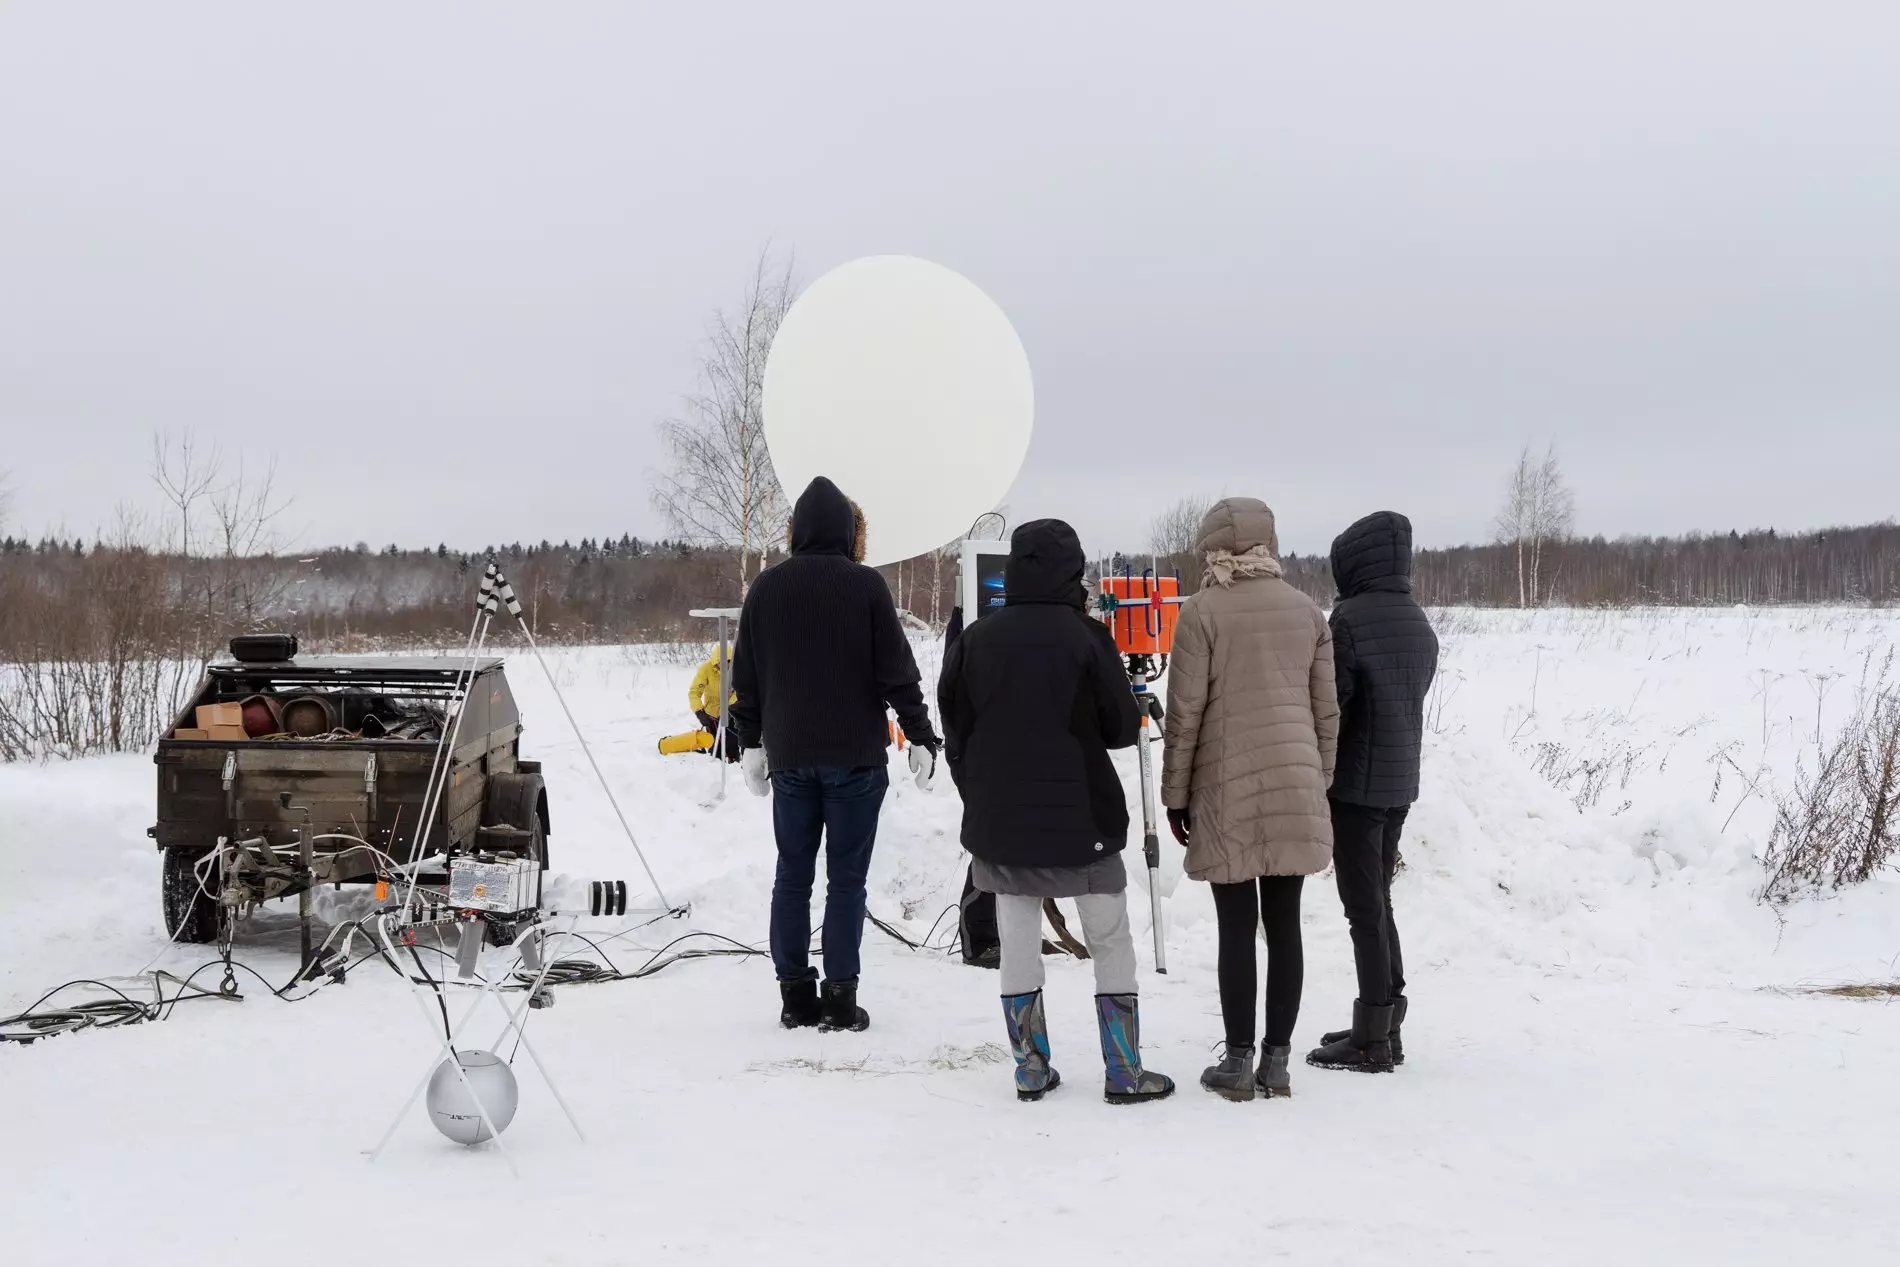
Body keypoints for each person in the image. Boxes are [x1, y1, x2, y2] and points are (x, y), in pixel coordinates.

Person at [938, 519, 1175, 1105]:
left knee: (1017, 943)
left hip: (1003, 825)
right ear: (1073, 572)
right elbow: (1122, 728)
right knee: (1110, 939)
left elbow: (955, 727)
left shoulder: (975, 637)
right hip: (1084, 821)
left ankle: (1030, 1069)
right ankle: (1124, 1072)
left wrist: (980, 796)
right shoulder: (1087, 636)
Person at [729, 476, 941, 1033]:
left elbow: (744, 677)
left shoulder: (766, 590)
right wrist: (921, 735)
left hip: (791, 757)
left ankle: (795, 996)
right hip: (855, 759)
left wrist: (750, 742)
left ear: (796, 531)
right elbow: (897, 670)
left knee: (791, 877)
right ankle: (841, 1000)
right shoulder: (865, 586)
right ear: (849, 532)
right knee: (846, 881)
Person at [1160, 497, 1339, 1102]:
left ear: (1212, 548)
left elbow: (1184, 715)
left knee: (1236, 927)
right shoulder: (1308, 613)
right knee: (1284, 926)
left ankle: (1236, 1064)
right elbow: (1326, 713)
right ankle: (1278, 1061)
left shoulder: (1201, 613)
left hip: (1224, 787)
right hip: (1296, 782)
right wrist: (1320, 782)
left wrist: (1176, 796)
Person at [1306, 511, 1438, 1073]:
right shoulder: (1417, 620)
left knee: (1364, 909)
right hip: (1399, 781)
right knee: (1379, 901)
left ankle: (1372, 1038)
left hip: (1357, 788)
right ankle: (1386, 1021)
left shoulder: (1350, 620)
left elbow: (1334, 703)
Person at [685, 643, 739, 761]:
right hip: (712, 715)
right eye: (721, 663)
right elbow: (694, 692)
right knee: (716, 748)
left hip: (732, 712)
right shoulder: (706, 669)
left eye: (728, 662)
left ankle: (733, 761)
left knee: (732, 744)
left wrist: (729, 708)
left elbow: (741, 691)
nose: (724, 666)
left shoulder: (737, 669)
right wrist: (700, 712)